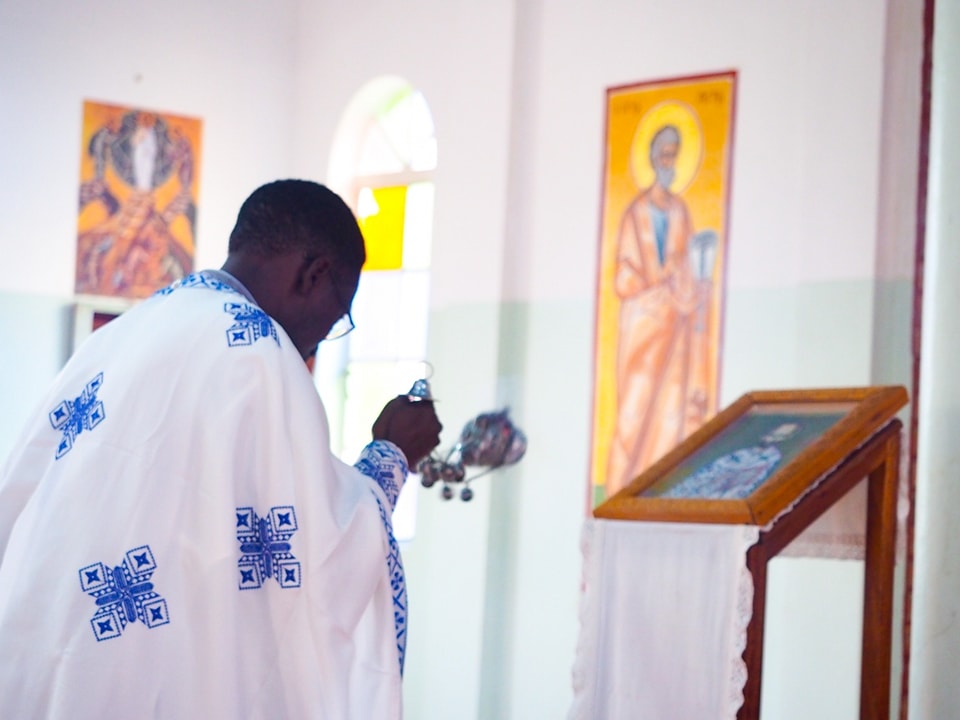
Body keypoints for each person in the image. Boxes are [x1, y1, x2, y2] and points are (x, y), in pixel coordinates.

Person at [0, 179, 443, 718]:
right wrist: (391, 454)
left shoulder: (120, 334)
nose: (323, 337)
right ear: (315, 274)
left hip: (44, 669)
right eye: (339, 314)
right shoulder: (259, 354)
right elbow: (313, 561)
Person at [606, 124, 715, 497]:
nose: (669, 161)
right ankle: (623, 490)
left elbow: (685, 268)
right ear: (653, 158)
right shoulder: (635, 213)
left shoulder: (681, 212)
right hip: (642, 328)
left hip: (675, 328)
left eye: (675, 154)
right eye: (664, 154)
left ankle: (661, 490)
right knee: (634, 413)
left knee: (671, 409)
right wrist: (656, 286)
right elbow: (624, 276)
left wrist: (689, 278)